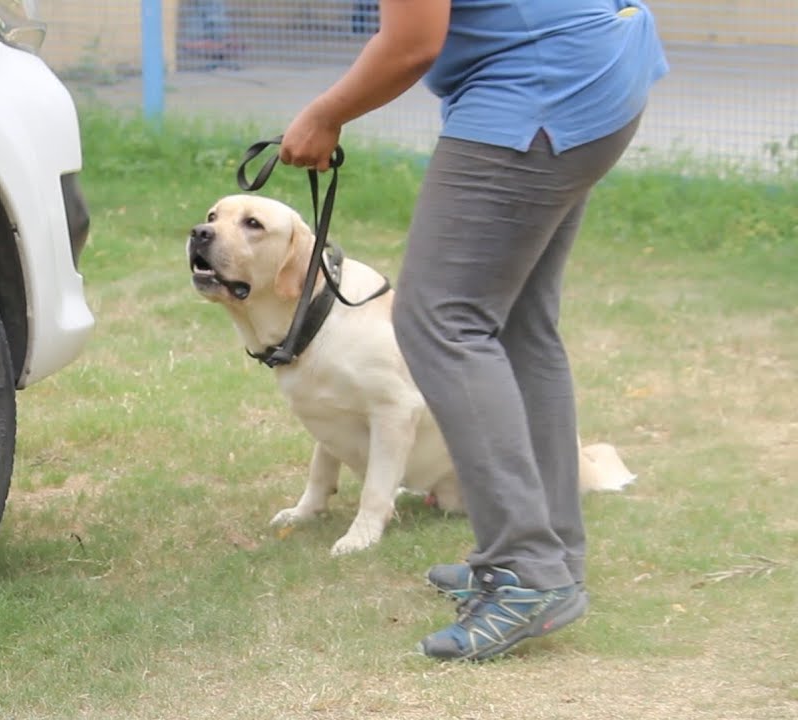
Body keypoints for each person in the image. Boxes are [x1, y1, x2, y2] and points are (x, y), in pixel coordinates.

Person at [279, 0, 668, 661]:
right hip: (597, 67)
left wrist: (326, 113)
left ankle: (527, 570)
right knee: (517, 324)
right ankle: (550, 558)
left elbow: (412, 43)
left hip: (539, 90)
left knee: (438, 318)